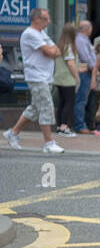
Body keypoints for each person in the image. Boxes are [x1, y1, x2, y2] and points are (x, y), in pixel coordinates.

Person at [3, 8, 66, 154]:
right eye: (46, 19)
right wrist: (53, 51)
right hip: (37, 76)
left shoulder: (41, 33)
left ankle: (13, 133)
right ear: (36, 19)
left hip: (45, 76)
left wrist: (53, 51)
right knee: (46, 106)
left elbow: (56, 51)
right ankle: (48, 143)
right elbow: (51, 52)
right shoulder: (30, 34)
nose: (49, 21)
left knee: (35, 108)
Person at [52, 22, 79, 136]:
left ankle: (59, 126)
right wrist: (76, 76)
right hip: (67, 79)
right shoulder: (69, 46)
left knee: (62, 102)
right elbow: (71, 63)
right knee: (69, 102)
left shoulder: (60, 45)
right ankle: (64, 127)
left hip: (59, 78)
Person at [73, 20, 96, 134]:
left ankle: (82, 123)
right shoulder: (81, 40)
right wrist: (94, 67)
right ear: (87, 29)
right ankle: (80, 125)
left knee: (84, 99)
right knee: (81, 99)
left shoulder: (84, 40)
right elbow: (85, 57)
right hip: (84, 72)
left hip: (87, 72)